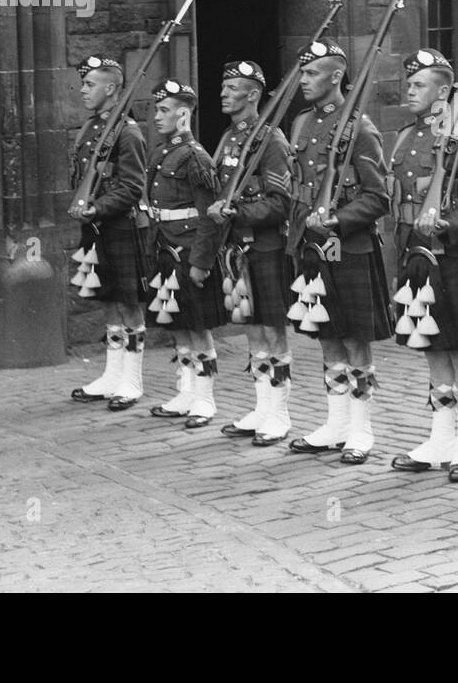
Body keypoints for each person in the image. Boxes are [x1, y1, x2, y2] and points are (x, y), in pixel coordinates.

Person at [387, 49, 458, 483]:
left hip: (455, 259)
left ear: (444, 91)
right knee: (432, 350)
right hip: (418, 260)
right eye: (409, 83)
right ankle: (439, 438)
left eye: (420, 84)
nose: (410, 90)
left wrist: (449, 224)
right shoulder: (403, 139)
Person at [284, 40, 393, 466]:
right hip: (311, 247)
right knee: (327, 335)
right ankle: (336, 423)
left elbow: (378, 197)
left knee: (354, 339)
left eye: (312, 73)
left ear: (335, 76)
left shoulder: (359, 128)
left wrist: (339, 219)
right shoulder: (300, 124)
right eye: (303, 72)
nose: (304, 80)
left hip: (349, 247)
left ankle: (361, 429)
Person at [207, 60, 294, 446]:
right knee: (252, 328)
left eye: (232, 88)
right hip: (236, 248)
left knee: (272, 330)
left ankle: (280, 414)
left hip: (265, 246)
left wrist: (237, 213)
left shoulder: (271, 141)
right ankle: (262, 407)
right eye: (224, 87)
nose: (223, 93)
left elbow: (281, 203)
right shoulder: (229, 139)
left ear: (253, 94)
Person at [68, 55, 150, 411]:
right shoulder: (91, 128)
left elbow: (132, 187)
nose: (83, 90)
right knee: (109, 300)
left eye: (90, 84)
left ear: (112, 88)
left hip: (121, 226)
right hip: (96, 227)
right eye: (83, 84)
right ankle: (112, 375)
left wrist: (97, 208)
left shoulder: (127, 132)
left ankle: (132, 381)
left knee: (128, 303)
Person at [144, 79, 224, 427]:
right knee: (177, 324)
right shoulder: (160, 153)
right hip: (164, 247)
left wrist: (201, 262)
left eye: (164, 110)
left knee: (198, 326)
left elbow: (209, 216)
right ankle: (186, 392)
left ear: (183, 114)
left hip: (188, 249)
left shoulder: (195, 157)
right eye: (156, 109)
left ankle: (205, 399)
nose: (156, 116)